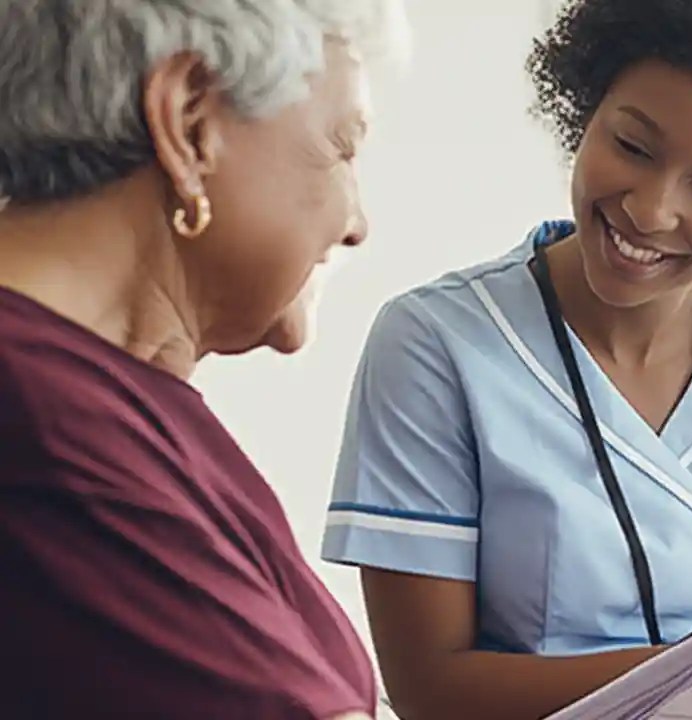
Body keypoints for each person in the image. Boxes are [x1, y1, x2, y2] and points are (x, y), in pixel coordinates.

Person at [323, 0, 692, 718]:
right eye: (632, 147)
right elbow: (429, 690)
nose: (651, 208)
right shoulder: (435, 344)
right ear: (588, 108)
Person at [0, 2, 406, 717]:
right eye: (343, 147)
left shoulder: (112, 399)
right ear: (190, 126)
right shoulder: (41, 416)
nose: (357, 224)